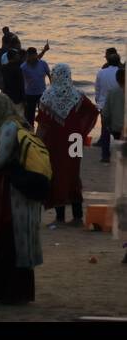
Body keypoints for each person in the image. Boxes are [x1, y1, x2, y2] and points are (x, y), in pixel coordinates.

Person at [0, 92, 43, 304]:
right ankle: (16, 292)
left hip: (9, 193)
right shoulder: (19, 123)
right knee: (15, 238)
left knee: (6, 236)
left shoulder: (8, 128)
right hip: (18, 190)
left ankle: (7, 292)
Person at [37, 64, 98, 226]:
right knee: (73, 173)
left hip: (55, 142)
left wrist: (38, 142)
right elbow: (92, 111)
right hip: (75, 141)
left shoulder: (47, 97)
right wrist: (81, 130)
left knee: (57, 174)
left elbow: (42, 125)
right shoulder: (78, 95)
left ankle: (60, 216)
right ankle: (77, 216)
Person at [95, 50, 122, 163]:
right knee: (119, 129)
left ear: (108, 61)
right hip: (118, 104)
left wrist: (97, 99)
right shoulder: (121, 72)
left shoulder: (101, 72)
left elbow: (97, 88)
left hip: (104, 104)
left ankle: (105, 155)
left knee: (105, 129)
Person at [19, 46, 52, 125]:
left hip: (42, 94)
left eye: (33, 56)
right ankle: (30, 131)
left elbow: (49, 75)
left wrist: (52, 88)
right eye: (29, 56)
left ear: (36, 55)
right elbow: (20, 82)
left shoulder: (43, 64)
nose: (30, 58)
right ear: (27, 56)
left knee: (43, 116)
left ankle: (41, 131)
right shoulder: (23, 67)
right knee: (29, 117)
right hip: (29, 94)